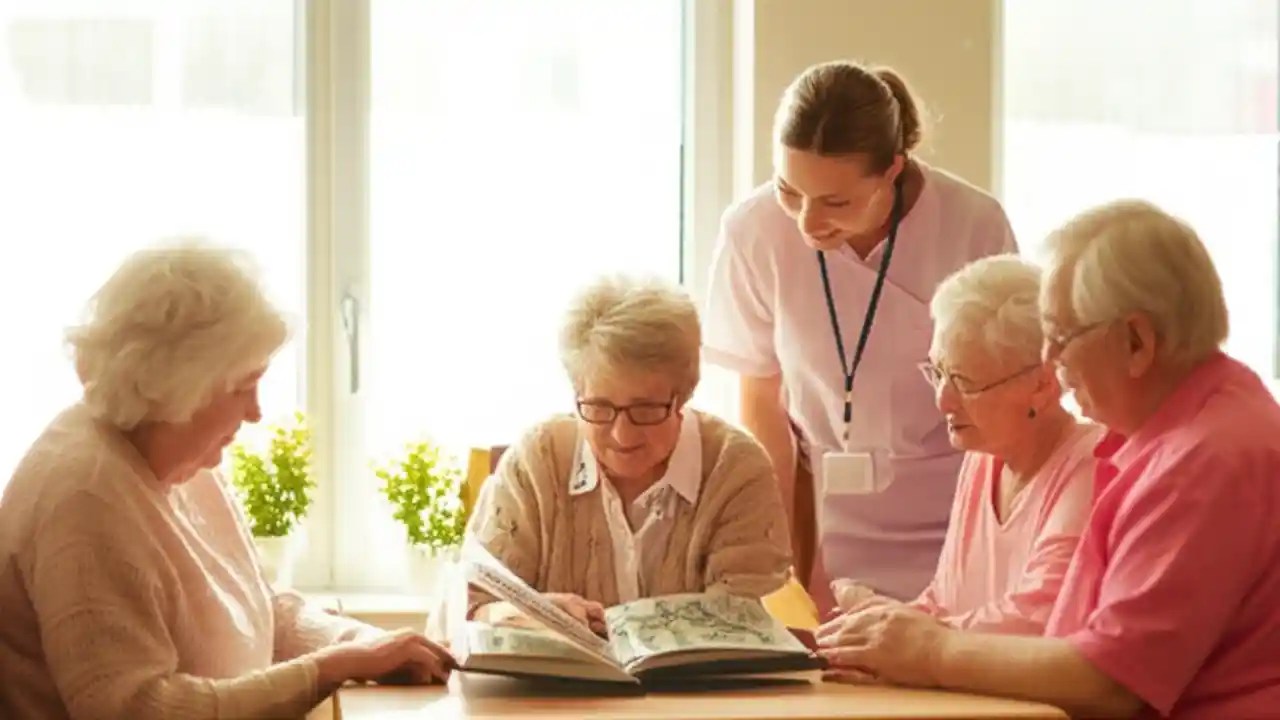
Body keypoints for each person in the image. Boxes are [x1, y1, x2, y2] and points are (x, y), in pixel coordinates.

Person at [817, 200, 1280, 718]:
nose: (1051, 365)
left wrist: (930, 649)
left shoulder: (1205, 458)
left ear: (1136, 341)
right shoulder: (1179, 431)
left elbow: (1113, 678)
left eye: (1061, 339)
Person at [0, 241, 453, 720]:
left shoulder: (181, 463)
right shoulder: (85, 497)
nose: (256, 412)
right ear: (177, 382)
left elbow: (265, 610)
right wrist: (329, 668)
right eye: (242, 387)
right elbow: (133, 708)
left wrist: (370, 645)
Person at [703, 59, 1018, 614]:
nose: (806, 222)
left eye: (836, 202)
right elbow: (763, 411)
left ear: (893, 170)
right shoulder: (752, 230)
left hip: (952, 500)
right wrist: (783, 569)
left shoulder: (974, 223)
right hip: (821, 510)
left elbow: (1006, 403)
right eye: (788, 190)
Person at [466, 275, 792, 631]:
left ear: (682, 396)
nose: (622, 434)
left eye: (646, 409)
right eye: (600, 407)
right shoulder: (536, 460)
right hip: (556, 686)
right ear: (577, 392)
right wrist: (528, 614)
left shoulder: (737, 469)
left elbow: (742, 625)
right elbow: (472, 605)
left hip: (698, 689)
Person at [831, 254, 1098, 635]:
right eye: (938, 373)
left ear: (1043, 384)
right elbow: (945, 601)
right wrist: (882, 618)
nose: (942, 401)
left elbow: (1039, 617)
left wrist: (909, 633)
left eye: (964, 381)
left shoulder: (1092, 464)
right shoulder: (983, 456)